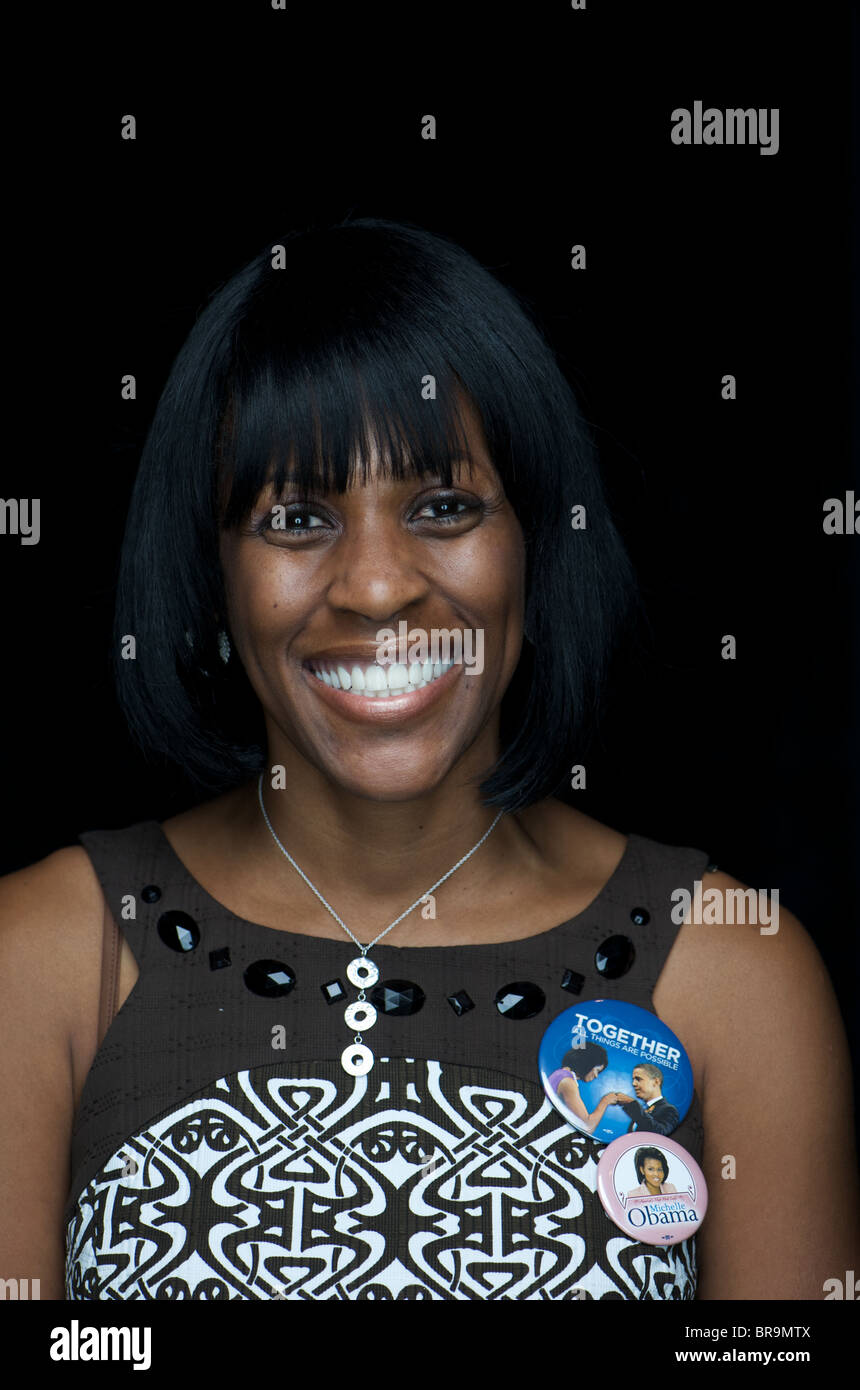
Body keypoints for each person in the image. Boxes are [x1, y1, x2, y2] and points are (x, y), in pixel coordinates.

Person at [1, 218, 857, 1301]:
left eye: (443, 506)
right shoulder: (41, 960)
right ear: (210, 575)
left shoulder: (733, 973)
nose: (375, 587)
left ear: (537, 544)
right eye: (297, 516)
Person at [546, 1041, 623, 1132]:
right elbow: (586, 1127)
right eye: (597, 1071)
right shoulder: (567, 1082)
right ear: (588, 1062)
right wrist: (605, 1101)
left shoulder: (560, 1074)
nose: (596, 1076)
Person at [615, 1062, 680, 1136]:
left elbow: (660, 1134)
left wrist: (633, 1104)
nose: (633, 1084)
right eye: (633, 1079)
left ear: (656, 1082)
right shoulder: (643, 1110)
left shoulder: (669, 1109)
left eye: (638, 1079)